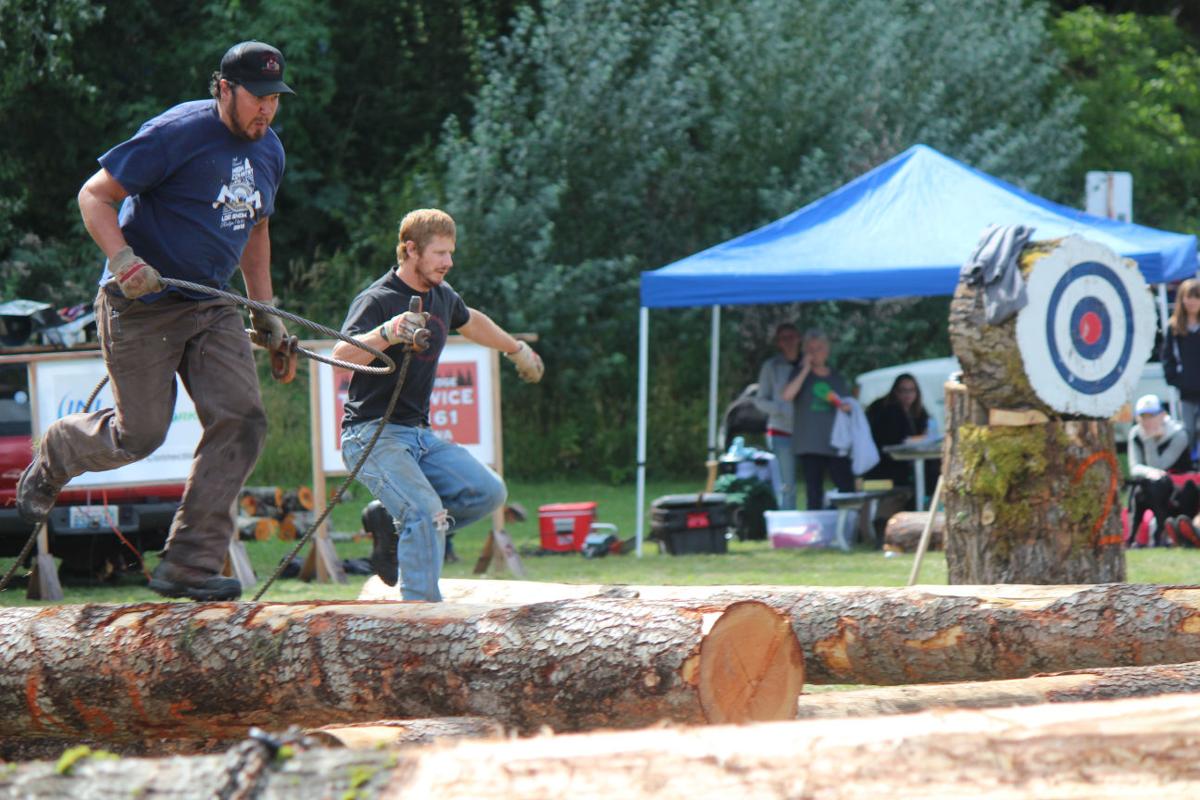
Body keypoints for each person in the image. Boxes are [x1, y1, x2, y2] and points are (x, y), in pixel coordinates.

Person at [16, 41, 296, 601]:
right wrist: (124, 261)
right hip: (140, 305)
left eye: (275, 98)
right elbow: (94, 196)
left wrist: (265, 312)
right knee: (140, 435)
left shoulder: (269, 152)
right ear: (225, 89)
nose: (266, 109)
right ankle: (61, 449)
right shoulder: (177, 133)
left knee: (243, 418)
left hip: (209, 303)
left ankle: (188, 563)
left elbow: (256, 229)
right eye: (256, 97)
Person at [333, 208, 544, 601]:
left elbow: (472, 321)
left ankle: (393, 526)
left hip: (418, 435)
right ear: (411, 250)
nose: (449, 262)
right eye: (440, 253)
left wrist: (516, 350)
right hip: (371, 435)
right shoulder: (377, 299)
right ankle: (422, 617)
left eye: (450, 253)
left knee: (487, 492)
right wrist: (388, 332)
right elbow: (341, 355)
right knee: (424, 513)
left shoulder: (443, 296)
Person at [781, 329, 853, 511]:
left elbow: (848, 405)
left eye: (819, 348)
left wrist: (845, 406)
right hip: (810, 444)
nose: (815, 353)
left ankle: (844, 522)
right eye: (810, 349)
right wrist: (805, 369)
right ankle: (816, 523)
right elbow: (787, 395)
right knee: (814, 492)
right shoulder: (798, 374)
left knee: (845, 487)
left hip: (836, 443)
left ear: (827, 350)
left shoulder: (836, 377)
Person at [1127, 394, 1200, 547]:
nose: (1147, 421)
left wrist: (1149, 440)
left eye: (1151, 416)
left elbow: (1159, 465)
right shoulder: (1135, 433)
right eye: (1143, 417)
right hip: (1153, 485)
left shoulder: (1178, 433)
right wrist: (1149, 471)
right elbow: (1135, 467)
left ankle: (1187, 532)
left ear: (1162, 415)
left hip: (1181, 489)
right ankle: (1136, 538)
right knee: (1143, 490)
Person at [865, 373, 940, 499]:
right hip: (885, 466)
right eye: (903, 390)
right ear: (896, 392)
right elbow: (892, 441)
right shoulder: (887, 410)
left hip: (907, 464)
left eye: (911, 390)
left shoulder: (919, 412)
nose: (908, 394)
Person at [753, 322, 802, 509]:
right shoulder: (771, 367)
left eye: (791, 337)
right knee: (787, 485)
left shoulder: (808, 364)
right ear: (778, 343)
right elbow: (760, 401)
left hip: (807, 433)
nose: (788, 342)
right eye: (783, 338)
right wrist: (782, 409)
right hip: (781, 432)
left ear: (799, 338)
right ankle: (787, 521)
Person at [1163, 278, 1200, 467]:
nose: (1192, 301)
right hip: (1186, 390)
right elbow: (1167, 356)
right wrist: (1176, 379)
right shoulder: (1175, 327)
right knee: (1188, 430)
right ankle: (1190, 467)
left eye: (1196, 297)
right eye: (1188, 297)